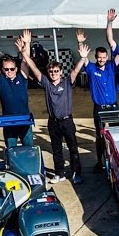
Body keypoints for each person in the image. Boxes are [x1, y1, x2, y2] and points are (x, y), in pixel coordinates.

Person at [18, 29, 87, 184]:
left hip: (67, 121)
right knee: (56, 150)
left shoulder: (67, 82)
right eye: (51, 71)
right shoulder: (46, 83)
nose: (54, 73)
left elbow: (76, 70)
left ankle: (77, 173)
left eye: (56, 71)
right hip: (53, 122)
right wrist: (26, 49)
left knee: (73, 149)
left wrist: (82, 58)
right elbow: (34, 69)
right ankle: (59, 173)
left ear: (61, 72)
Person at [0, 28, 34, 149]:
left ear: (16, 69)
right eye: (6, 69)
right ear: (3, 70)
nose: (9, 71)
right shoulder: (1, 81)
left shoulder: (22, 78)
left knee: (29, 150)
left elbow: (25, 62)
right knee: (11, 151)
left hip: (24, 120)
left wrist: (27, 44)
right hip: (8, 122)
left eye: (11, 69)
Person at [83, 22, 119, 172]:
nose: (102, 59)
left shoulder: (111, 66)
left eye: (104, 57)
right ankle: (101, 162)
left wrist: (110, 24)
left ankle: (117, 162)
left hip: (112, 107)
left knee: (116, 135)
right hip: (99, 108)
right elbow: (84, 58)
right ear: (96, 57)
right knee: (99, 136)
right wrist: (80, 42)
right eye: (99, 57)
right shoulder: (91, 68)